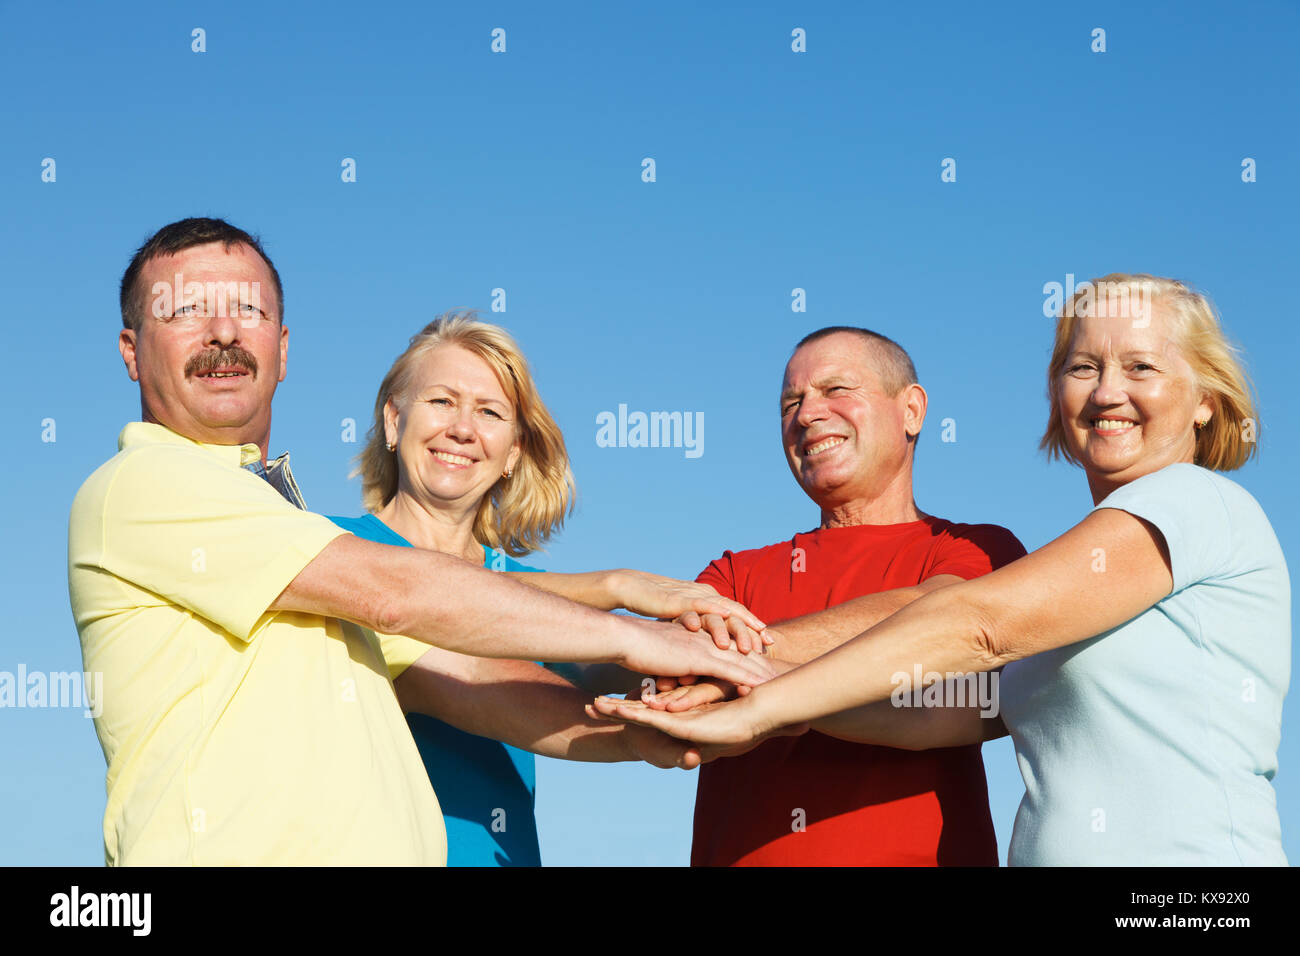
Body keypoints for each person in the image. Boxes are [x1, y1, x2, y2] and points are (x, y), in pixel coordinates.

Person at [68, 217, 773, 866]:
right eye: (185, 310)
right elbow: (401, 590)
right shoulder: (143, 483)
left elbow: (472, 682)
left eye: (248, 310)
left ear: (282, 350)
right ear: (132, 351)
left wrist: (636, 738)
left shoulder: (290, 537)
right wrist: (637, 634)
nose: (223, 331)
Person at [594, 275, 1290, 866]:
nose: (1108, 391)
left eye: (1142, 367)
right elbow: (929, 716)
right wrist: (764, 693)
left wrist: (753, 705)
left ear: (1206, 398)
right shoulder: (1083, 569)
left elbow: (979, 624)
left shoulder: (1194, 501)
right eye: (1083, 368)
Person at [331, 312, 743, 866]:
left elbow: (618, 665)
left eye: (489, 412)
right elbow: (457, 646)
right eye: (441, 401)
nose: (462, 428)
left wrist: (703, 668)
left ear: (514, 453)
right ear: (392, 421)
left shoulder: (534, 597)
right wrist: (616, 587)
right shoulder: (330, 553)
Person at [613, 326, 1028, 865]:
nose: (807, 414)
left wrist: (732, 661)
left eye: (836, 390)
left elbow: (936, 617)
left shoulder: (974, 549)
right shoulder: (733, 574)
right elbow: (664, 664)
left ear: (912, 411)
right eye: (792, 401)